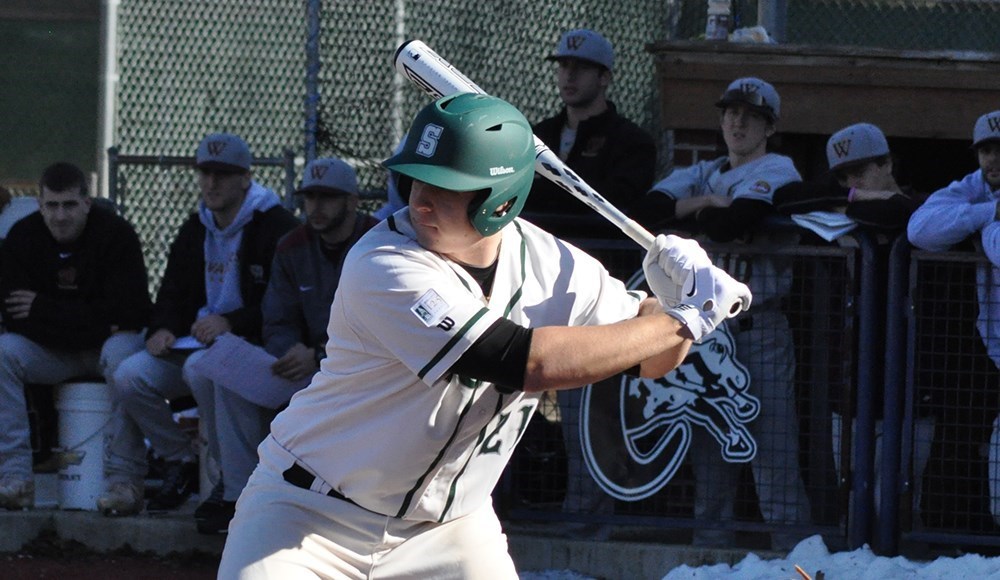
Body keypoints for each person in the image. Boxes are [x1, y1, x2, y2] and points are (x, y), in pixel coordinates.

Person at [217, 92, 751, 578]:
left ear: (499, 201)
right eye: (416, 179)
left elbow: (653, 361)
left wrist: (668, 305)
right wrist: (682, 317)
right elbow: (520, 361)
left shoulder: (556, 265)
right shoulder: (382, 263)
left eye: (446, 187)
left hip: (448, 530)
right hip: (309, 517)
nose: (420, 200)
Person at [630, 77, 812, 550]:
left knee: (772, 452)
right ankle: (709, 556)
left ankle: (792, 554)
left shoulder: (779, 168)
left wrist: (691, 214)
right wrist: (707, 202)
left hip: (758, 328)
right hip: (706, 334)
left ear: (769, 126)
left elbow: (734, 224)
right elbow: (646, 213)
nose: (737, 121)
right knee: (709, 450)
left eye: (750, 115)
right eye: (730, 112)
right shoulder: (706, 171)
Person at [97, 133, 299, 517]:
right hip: (200, 343)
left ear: (245, 178)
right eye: (205, 173)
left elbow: (280, 305)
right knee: (129, 375)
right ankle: (179, 458)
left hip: (252, 346)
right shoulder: (196, 227)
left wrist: (231, 322)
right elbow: (172, 290)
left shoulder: (274, 226)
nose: (211, 183)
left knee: (199, 370)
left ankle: (229, 476)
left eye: (223, 174)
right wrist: (165, 327)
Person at [186, 156, 376, 534]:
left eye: (328, 197)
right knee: (223, 376)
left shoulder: (376, 241)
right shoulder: (293, 244)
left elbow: (380, 326)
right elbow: (277, 318)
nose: (316, 207)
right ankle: (237, 497)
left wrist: (319, 354)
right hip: (305, 367)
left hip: (363, 373)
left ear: (353, 201)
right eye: (310, 197)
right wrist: (289, 349)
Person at [777, 122, 930, 523]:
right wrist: (854, 195)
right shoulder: (851, 200)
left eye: (862, 171)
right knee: (853, 505)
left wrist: (850, 203)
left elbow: (898, 211)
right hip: (851, 385)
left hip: (912, 386)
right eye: (845, 176)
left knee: (896, 505)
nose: (853, 180)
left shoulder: (926, 207)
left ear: (887, 163)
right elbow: (785, 197)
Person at [0, 162, 150, 509]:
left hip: (105, 348)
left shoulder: (116, 234)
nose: (60, 216)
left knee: (124, 356)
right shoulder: (23, 237)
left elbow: (132, 312)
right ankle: (16, 478)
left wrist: (45, 308)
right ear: (39, 205)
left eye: (69, 205)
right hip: (55, 351)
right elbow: (15, 317)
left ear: (87, 202)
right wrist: (95, 317)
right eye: (52, 205)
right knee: (3, 351)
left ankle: (124, 482)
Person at [907, 110, 1000, 528]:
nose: (994, 159)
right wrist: (988, 213)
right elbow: (921, 229)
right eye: (987, 149)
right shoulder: (976, 189)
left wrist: (986, 226)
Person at [521, 28, 656, 237]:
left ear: (604, 77)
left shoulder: (631, 141)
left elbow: (615, 200)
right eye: (564, 66)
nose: (570, 76)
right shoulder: (539, 133)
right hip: (538, 246)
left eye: (582, 67)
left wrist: (547, 191)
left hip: (599, 255)